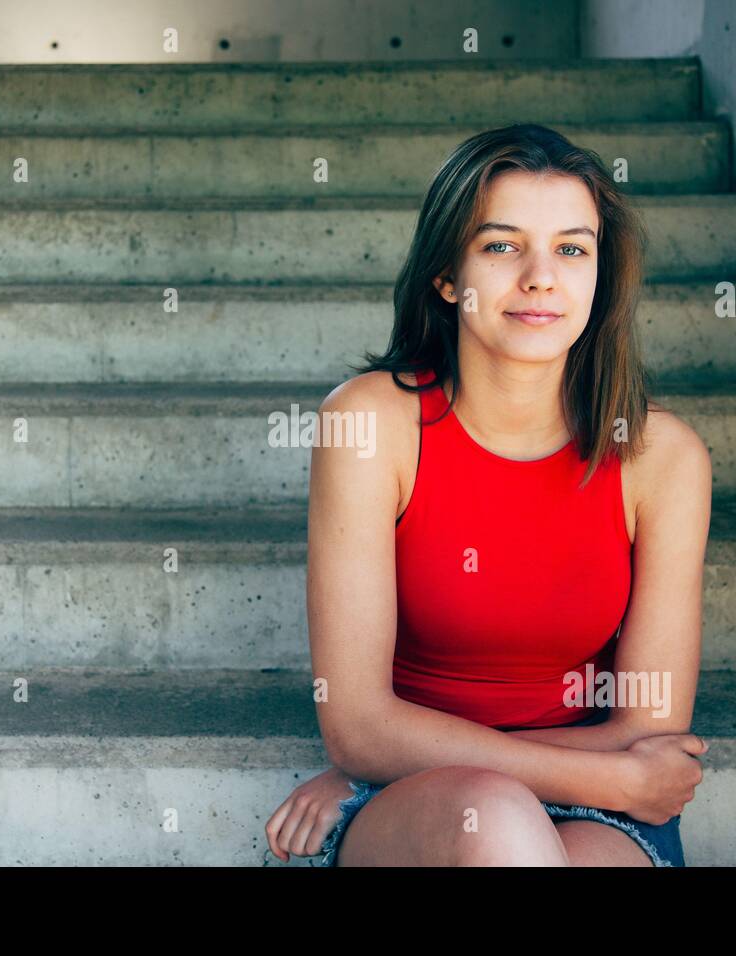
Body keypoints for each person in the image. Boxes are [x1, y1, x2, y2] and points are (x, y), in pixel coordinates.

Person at [265, 123, 710, 866]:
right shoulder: (372, 423)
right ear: (447, 275)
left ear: (600, 278)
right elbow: (358, 725)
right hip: (417, 793)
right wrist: (371, 755)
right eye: (502, 246)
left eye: (573, 248)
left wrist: (393, 742)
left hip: (600, 800)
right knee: (498, 820)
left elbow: (650, 728)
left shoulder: (662, 456)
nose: (541, 277)